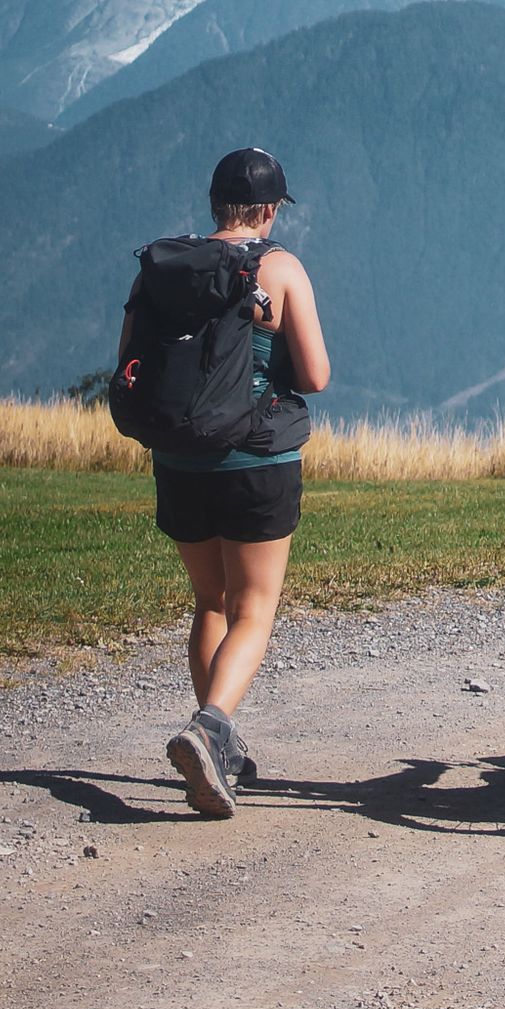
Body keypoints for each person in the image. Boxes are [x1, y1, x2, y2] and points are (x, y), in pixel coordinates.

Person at [117, 148, 330, 817]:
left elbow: (129, 358)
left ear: (215, 203)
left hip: (179, 460)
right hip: (257, 460)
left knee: (210, 602)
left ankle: (217, 745)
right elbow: (316, 375)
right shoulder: (280, 268)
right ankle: (210, 729)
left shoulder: (165, 267)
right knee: (253, 609)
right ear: (268, 210)